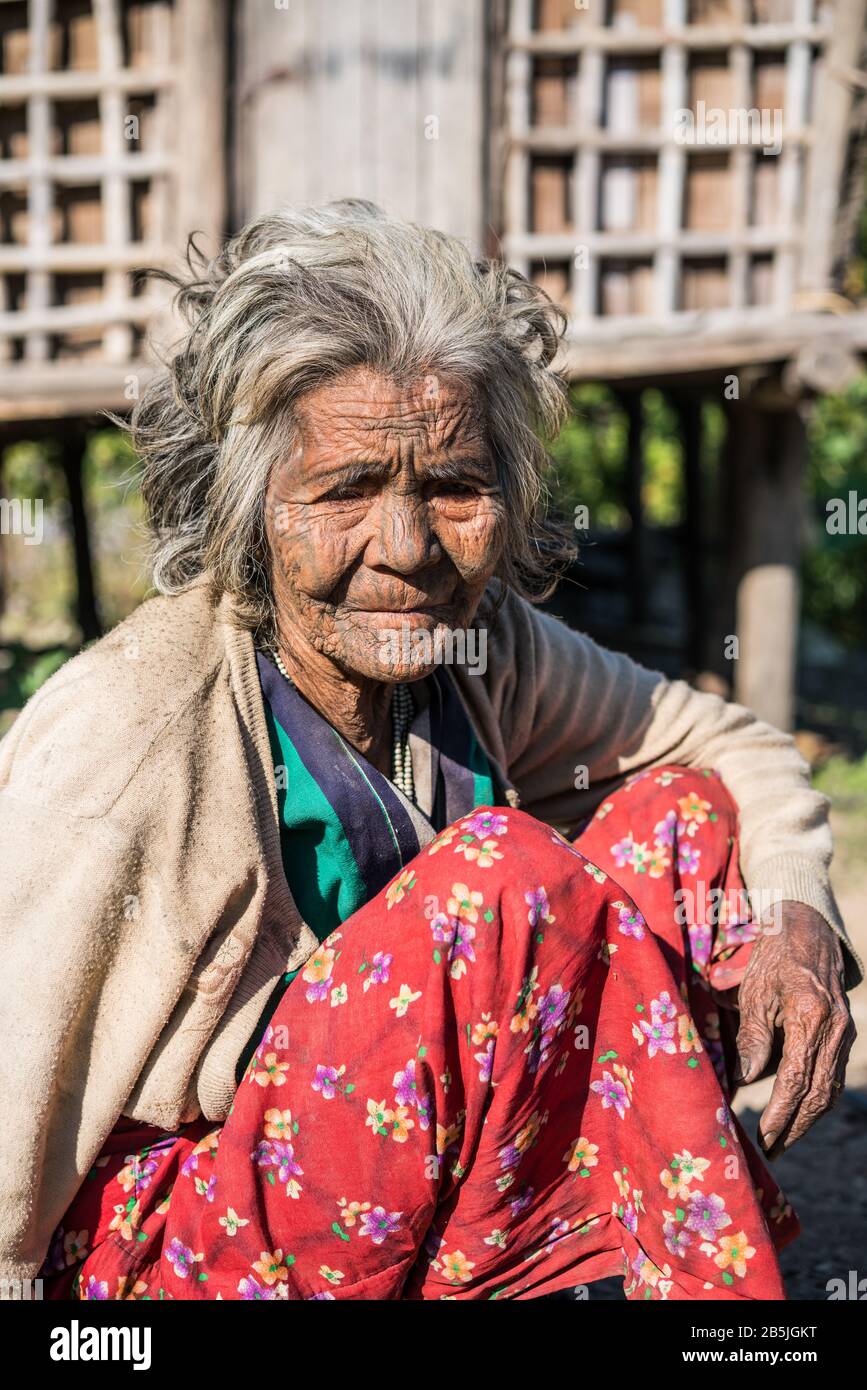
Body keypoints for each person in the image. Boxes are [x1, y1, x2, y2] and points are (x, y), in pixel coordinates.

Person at [0, 201, 858, 1300]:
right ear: (247, 510)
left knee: (678, 818)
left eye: (455, 488)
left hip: (386, 1174)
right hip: (179, 1245)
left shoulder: (477, 644)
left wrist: (795, 911)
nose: (406, 549)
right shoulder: (129, 735)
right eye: (345, 490)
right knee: (501, 880)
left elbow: (724, 742)